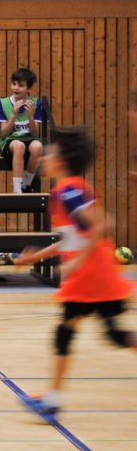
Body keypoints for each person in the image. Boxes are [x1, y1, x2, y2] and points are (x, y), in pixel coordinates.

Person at [15, 127, 136, 418]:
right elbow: (72, 239)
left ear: (63, 158)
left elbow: (103, 225)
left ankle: (52, 401)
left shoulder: (69, 191)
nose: (45, 156)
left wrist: (77, 263)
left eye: (51, 151)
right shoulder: (66, 191)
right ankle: (52, 399)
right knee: (115, 336)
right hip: (97, 276)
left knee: (65, 332)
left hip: (92, 277)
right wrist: (37, 256)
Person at [0, 67, 47, 193]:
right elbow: (3, 134)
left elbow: (35, 133)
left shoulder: (36, 103)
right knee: (19, 146)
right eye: (14, 84)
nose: (16, 88)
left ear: (28, 88)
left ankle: (26, 185)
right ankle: (17, 189)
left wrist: (30, 116)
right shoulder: (3, 103)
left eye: (21, 85)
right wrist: (13, 115)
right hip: (9, 142)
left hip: (29, 139)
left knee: (38, 147)